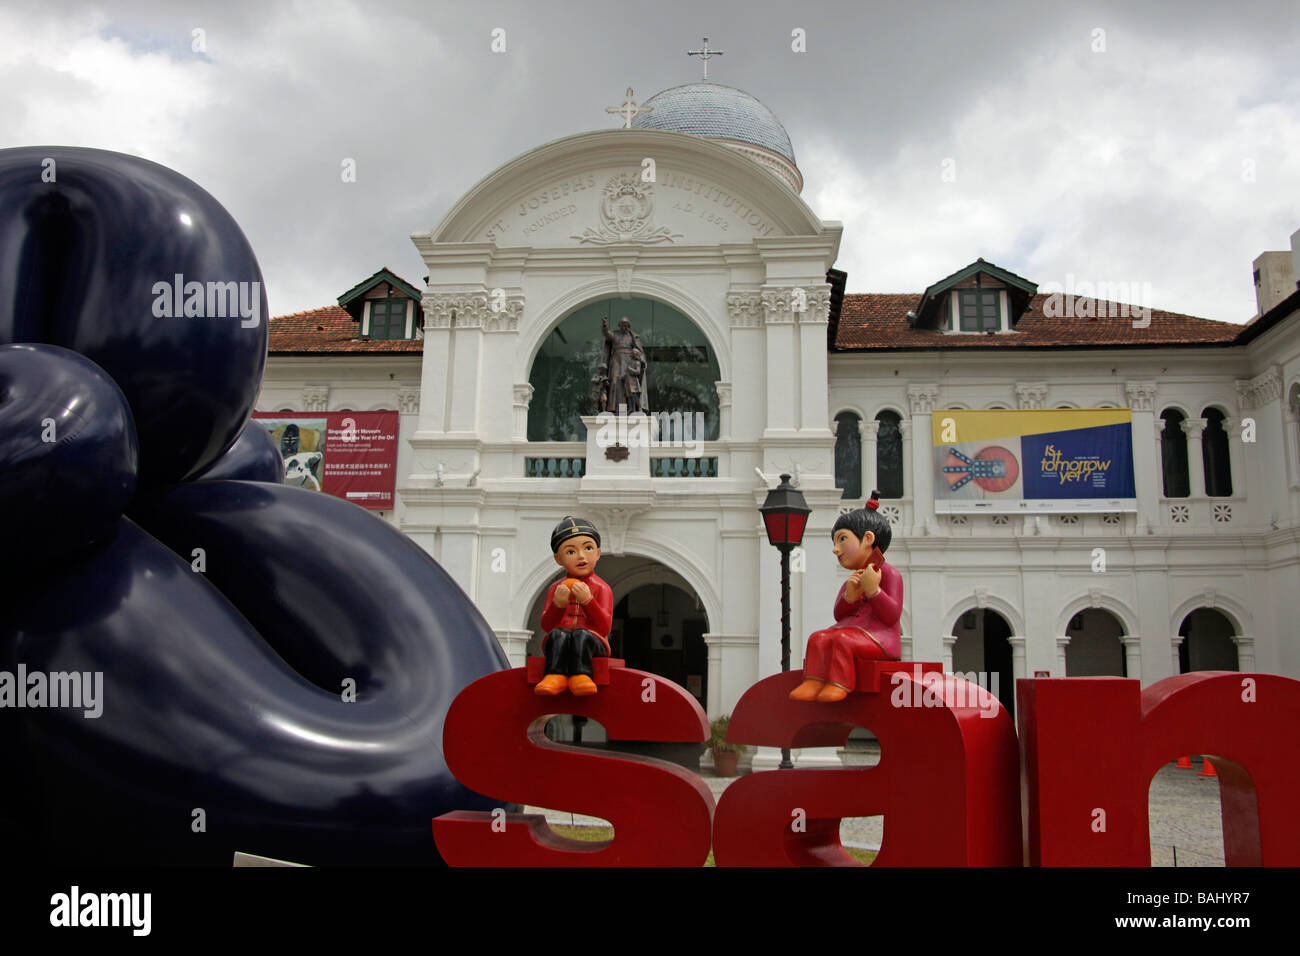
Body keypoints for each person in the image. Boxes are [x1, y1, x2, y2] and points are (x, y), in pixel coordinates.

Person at [790, 490, 902, 703]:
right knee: (819, 638)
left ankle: (840, 684)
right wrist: (850, 597)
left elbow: (892, 615)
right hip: (852, 631)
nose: (836, 549)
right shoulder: (853, 578)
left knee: (841, 640)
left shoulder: (889, 574)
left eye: (842, 540)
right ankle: (813, 681)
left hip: (880, 638)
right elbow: (839, 615)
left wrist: (874, 591)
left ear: (868, 538)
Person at [537, 516, 614, 696]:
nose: (581, 556)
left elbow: (604, 627)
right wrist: (558, 605)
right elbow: (547, 626)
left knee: (581, 635)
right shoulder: (556, 588)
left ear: (598, 552)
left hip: (593, 642)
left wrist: (588, 601)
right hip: (561, 640)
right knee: (557, 634)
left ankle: (581, 675)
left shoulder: (602, 588)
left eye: (588, 548)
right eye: (571, 552)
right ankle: (555, 675)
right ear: (558, 558)